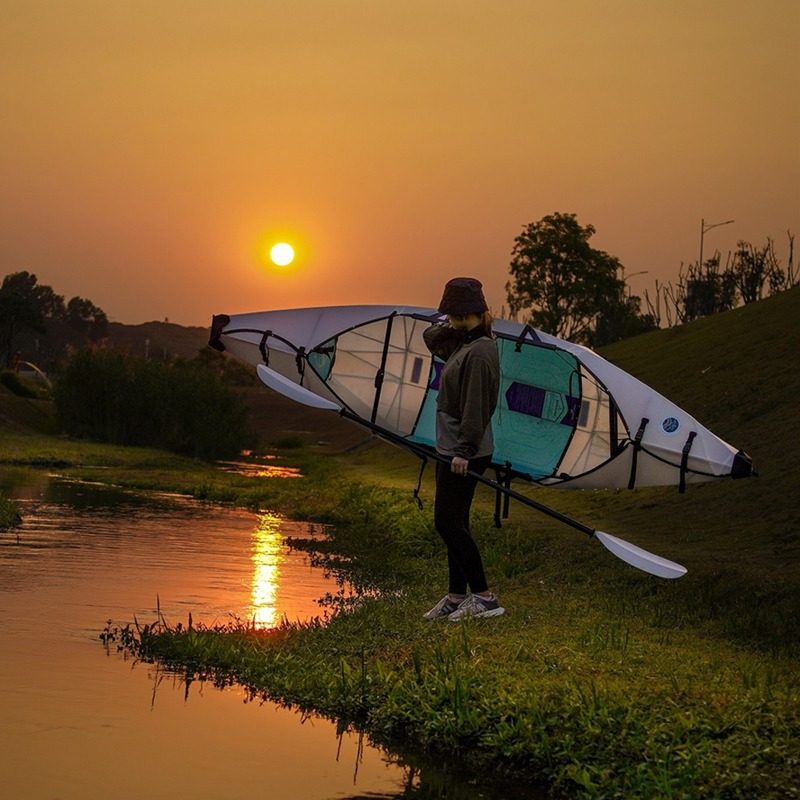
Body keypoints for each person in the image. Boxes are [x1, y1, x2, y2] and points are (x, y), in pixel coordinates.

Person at [421, 277, 505, 621]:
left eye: (451, 312)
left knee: (446, 522)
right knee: (457, 520)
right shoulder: (464, 343)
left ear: (463, 313)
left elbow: (476, 405)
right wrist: (452, 325)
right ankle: (456, 596)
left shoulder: (481, 351)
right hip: (451, 447)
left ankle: (484, 598)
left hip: (464, 450)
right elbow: (431, 339)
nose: (446, 319)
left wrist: (464, 450)